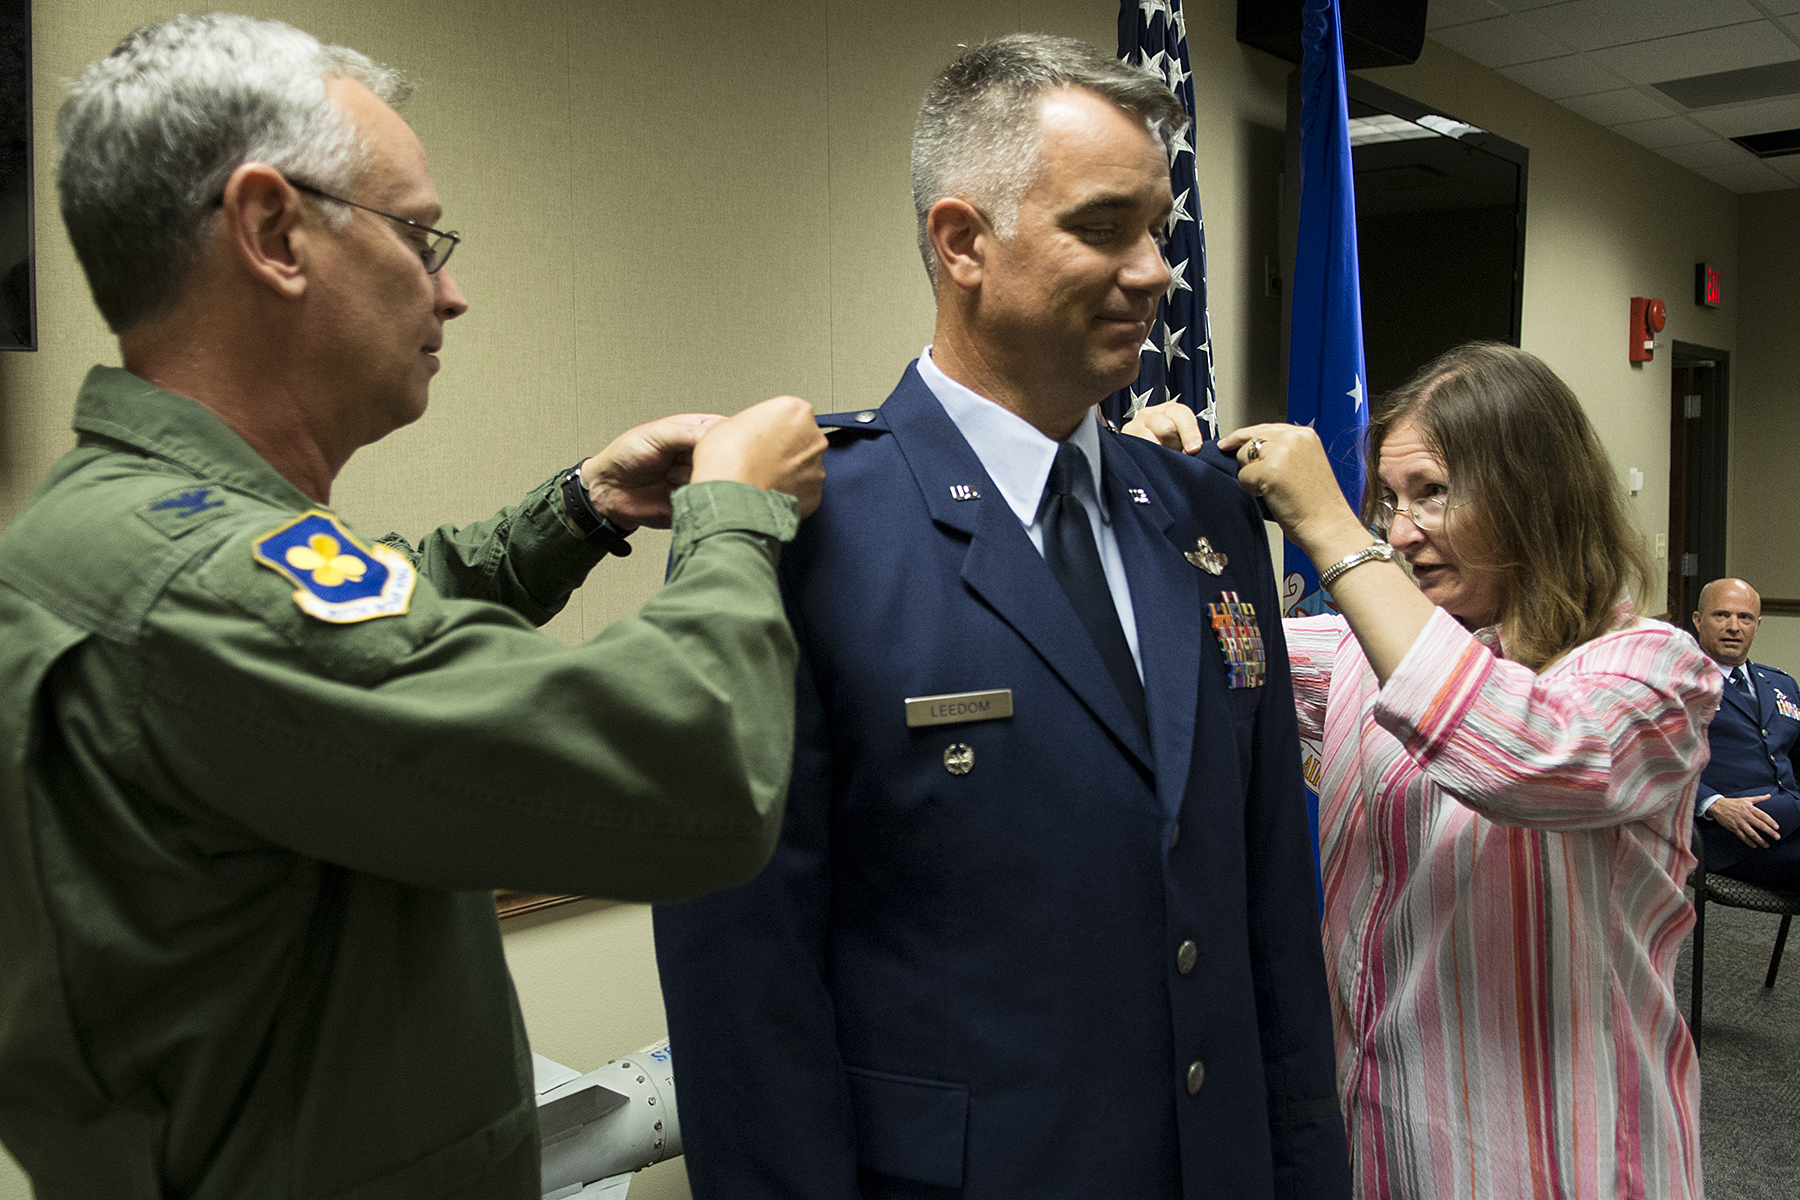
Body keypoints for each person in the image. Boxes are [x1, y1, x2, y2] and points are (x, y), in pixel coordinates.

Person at [0, 14, 825, 1198]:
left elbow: (374, 634)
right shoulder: (196, 584)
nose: (452, 294)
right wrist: (737, 514)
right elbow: (699, 777)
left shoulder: (122, 529)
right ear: (273, 232)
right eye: (419, 237)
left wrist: (580, 509)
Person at [653, 34, 1348, 1200]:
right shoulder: (801, 525)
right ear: (963, 242)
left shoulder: (1207, 513)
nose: (1154, 271)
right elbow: (745, 985)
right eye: (1104, 228)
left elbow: (1271, 907)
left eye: (1158, 231)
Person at [1129, 341, 1718, 1198]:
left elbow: (1522, 759)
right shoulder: (1361, 656)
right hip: (1374, 1145)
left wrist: (1332, 527)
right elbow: (1196, 650)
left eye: (1433, 493)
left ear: (1534, 494)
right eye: (1388, 500)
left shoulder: (1655, 671)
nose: (1401, 531)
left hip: (1559, 1161)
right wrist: (1141, 491)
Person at [1691, 577, 1800, 887]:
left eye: (1745, 617)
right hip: (1729, 837)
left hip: (1791, 823)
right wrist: (1712, 803)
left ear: (1757, 625)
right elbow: (1650, 763)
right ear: (1698, 620)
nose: (1733, 627)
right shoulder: (1680, 685)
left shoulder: (1781, 684)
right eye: (1721, 615)